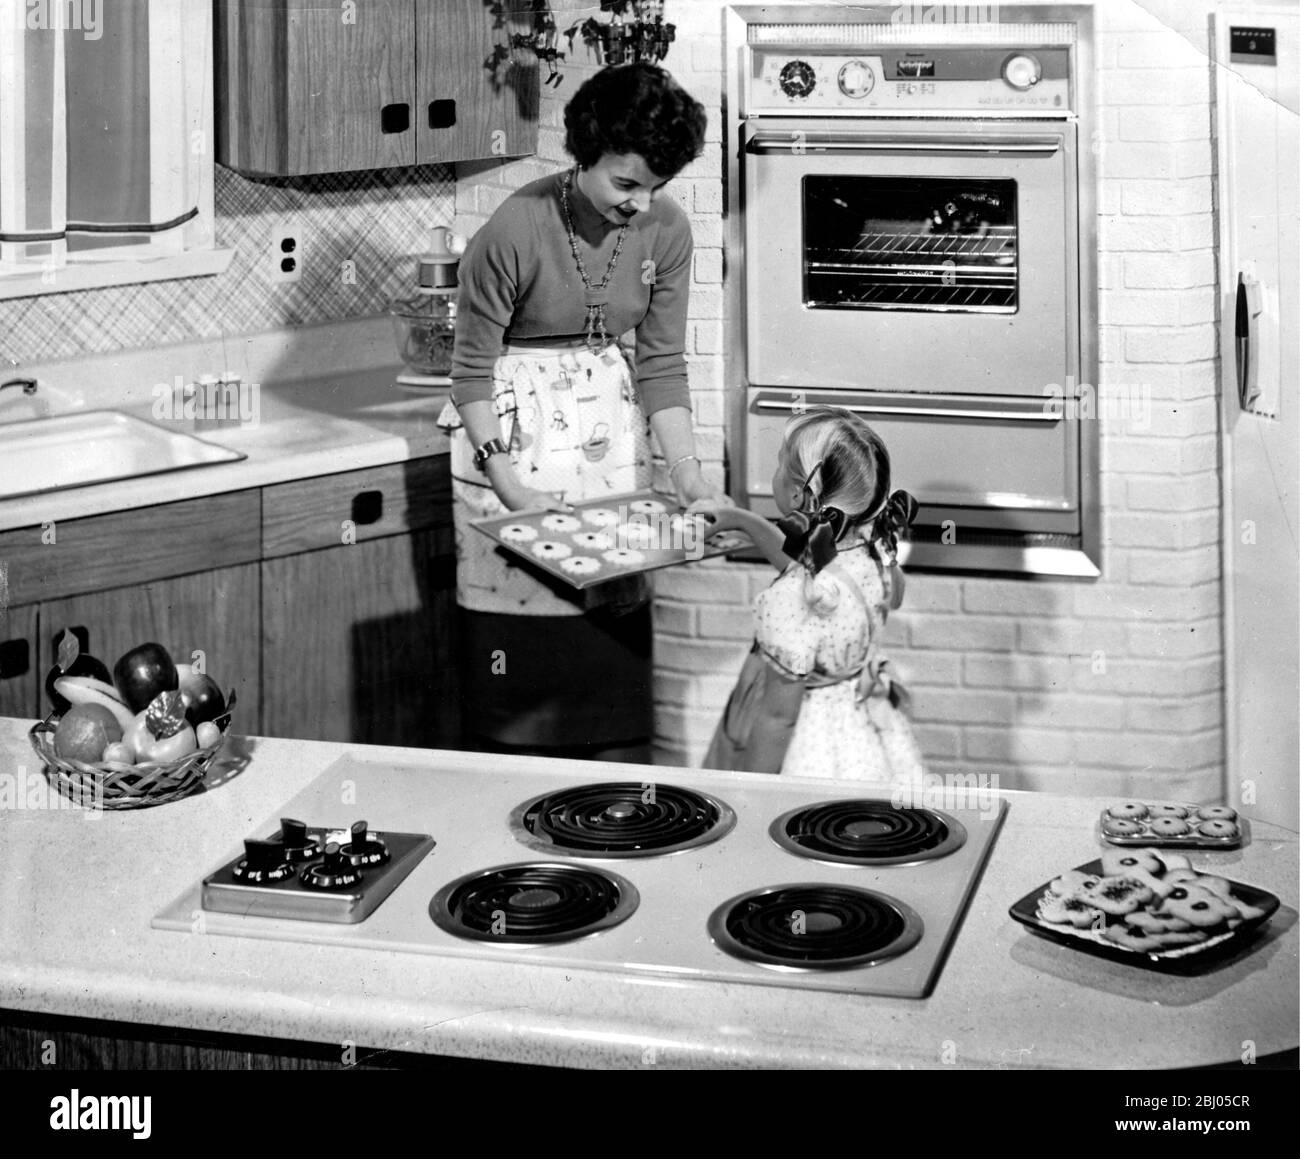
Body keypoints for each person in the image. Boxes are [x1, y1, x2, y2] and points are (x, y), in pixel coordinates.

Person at [438, 62, 722, 760]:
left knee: (608, 662)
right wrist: (503, 478)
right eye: (626, 184)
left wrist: (688, 476)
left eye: (656, 187)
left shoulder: (667, 233)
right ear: (583, 156)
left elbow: (660, 364)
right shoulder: (513, 229)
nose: (641, 203)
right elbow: (470, 372)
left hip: (607, 438)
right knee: (518, 671)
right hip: (507, 441)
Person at [690, 406, 925, 786]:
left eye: (780, 463)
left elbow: (777, 719)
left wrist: (748, 795)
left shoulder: (792, 598)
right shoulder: (873, 548)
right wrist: (745, 522)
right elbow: (805, 563)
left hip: (807, 742)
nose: (776, 469)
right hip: (858, 724)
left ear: (799, 493)